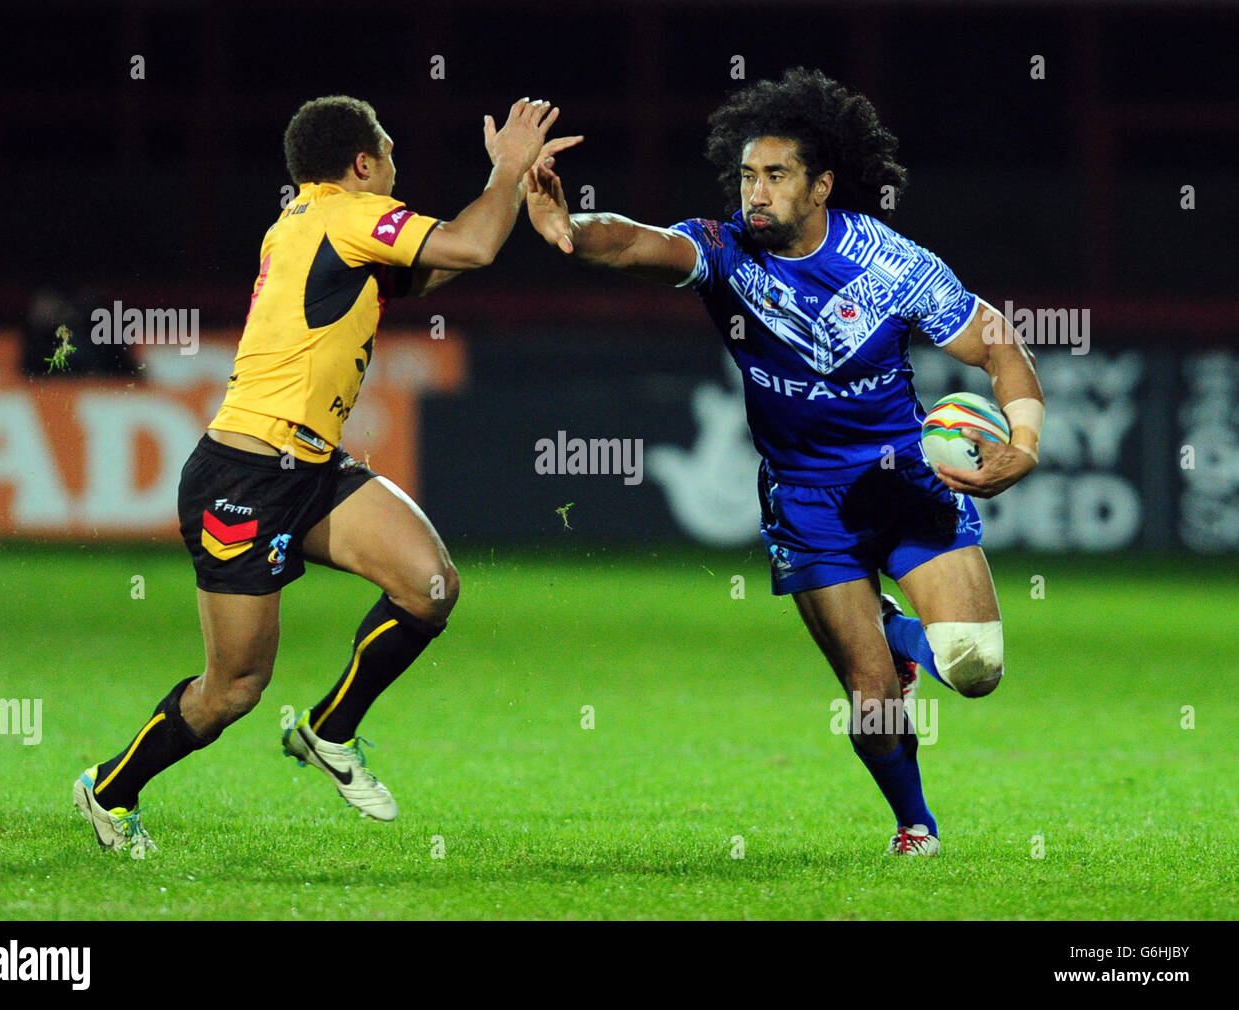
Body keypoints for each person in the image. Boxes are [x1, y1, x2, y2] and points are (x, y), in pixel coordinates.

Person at [525, 68, 1044, 856]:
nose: (754, 195)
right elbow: (633, 240)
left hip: (908, 483)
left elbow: (1000, 345)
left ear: (821, 184)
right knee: (871, 704)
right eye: (745, 177)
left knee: (976, 669)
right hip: (807, 501)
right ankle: (916, 825)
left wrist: (1025, 444)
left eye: (775, 177)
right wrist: (570, 227)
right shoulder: (722, 250)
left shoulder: (890, 264)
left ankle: (899, 638)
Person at [74, 95, 580, 856]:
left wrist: (509, 195)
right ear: (362, 163)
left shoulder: (305, 222)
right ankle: (109, 790)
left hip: (307, 466)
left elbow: (440, 263)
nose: (397, 167)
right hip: (243, 479)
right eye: (391, 152)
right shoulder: (342, 217)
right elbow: (467, 248)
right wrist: (505, 170)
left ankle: (328, 731)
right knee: (235, 689)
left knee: (428, 585)